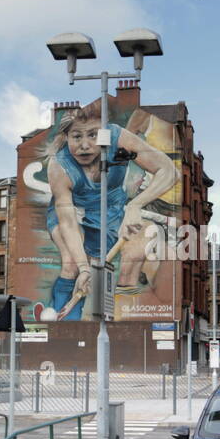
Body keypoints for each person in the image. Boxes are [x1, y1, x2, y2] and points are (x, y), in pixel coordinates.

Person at [44, 104, 179, 319]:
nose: (85, 145)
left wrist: (135, 205)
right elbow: (68, 223)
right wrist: (84, 268)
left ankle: (116, 322)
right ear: (67, 137)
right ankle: (64, 327)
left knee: (127, 255)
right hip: (73, 211)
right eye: (76, 137)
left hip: (112, 210)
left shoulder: (118, 138)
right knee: (72, 264)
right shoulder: (59, 166)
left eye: (93, 135)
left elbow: (169, 171)